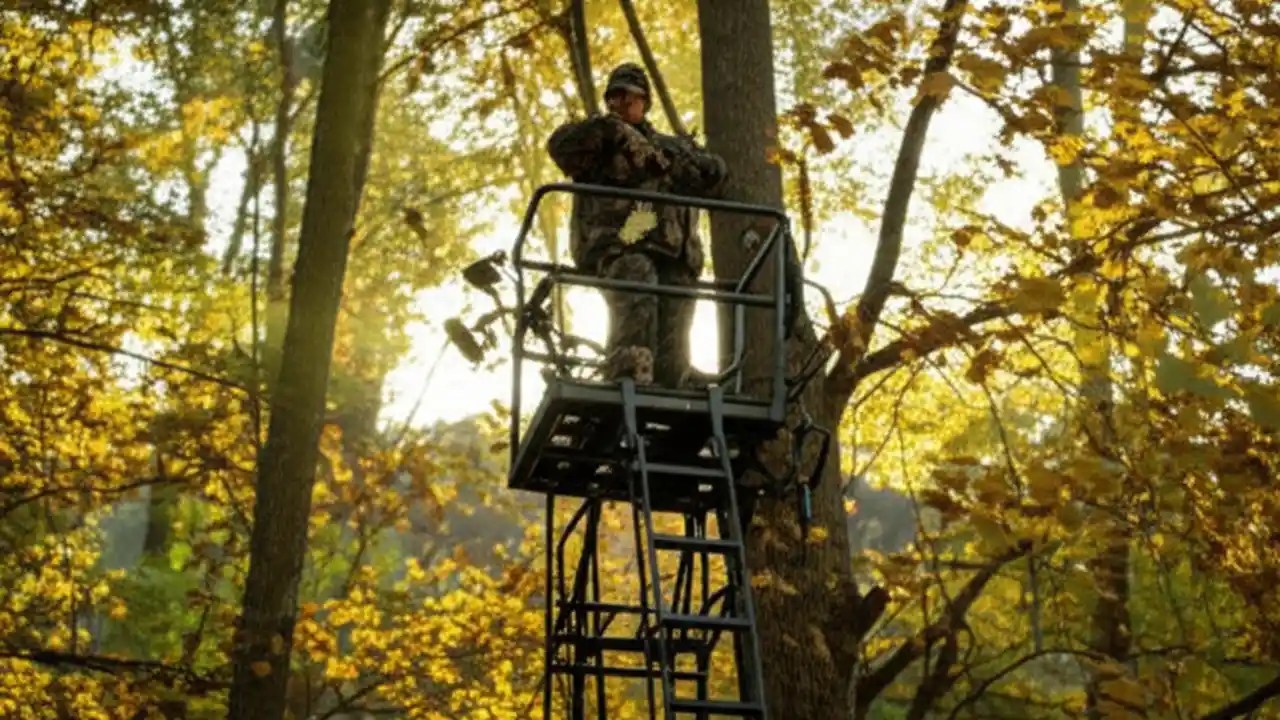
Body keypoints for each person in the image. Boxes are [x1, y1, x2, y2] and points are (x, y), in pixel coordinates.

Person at [546, 63, 728, 388]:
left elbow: (713, 176)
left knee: (679, 292)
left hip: (672, 252)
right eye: (615, 95)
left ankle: (676, 372)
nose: (622, 102)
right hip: (621, 246)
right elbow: (560, 148)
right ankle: (627, 364)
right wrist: (608, 130)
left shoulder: (667, 147)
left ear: (645, 102)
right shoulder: (598, 139)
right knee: (637, 274)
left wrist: (687, 158)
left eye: (631, 96)